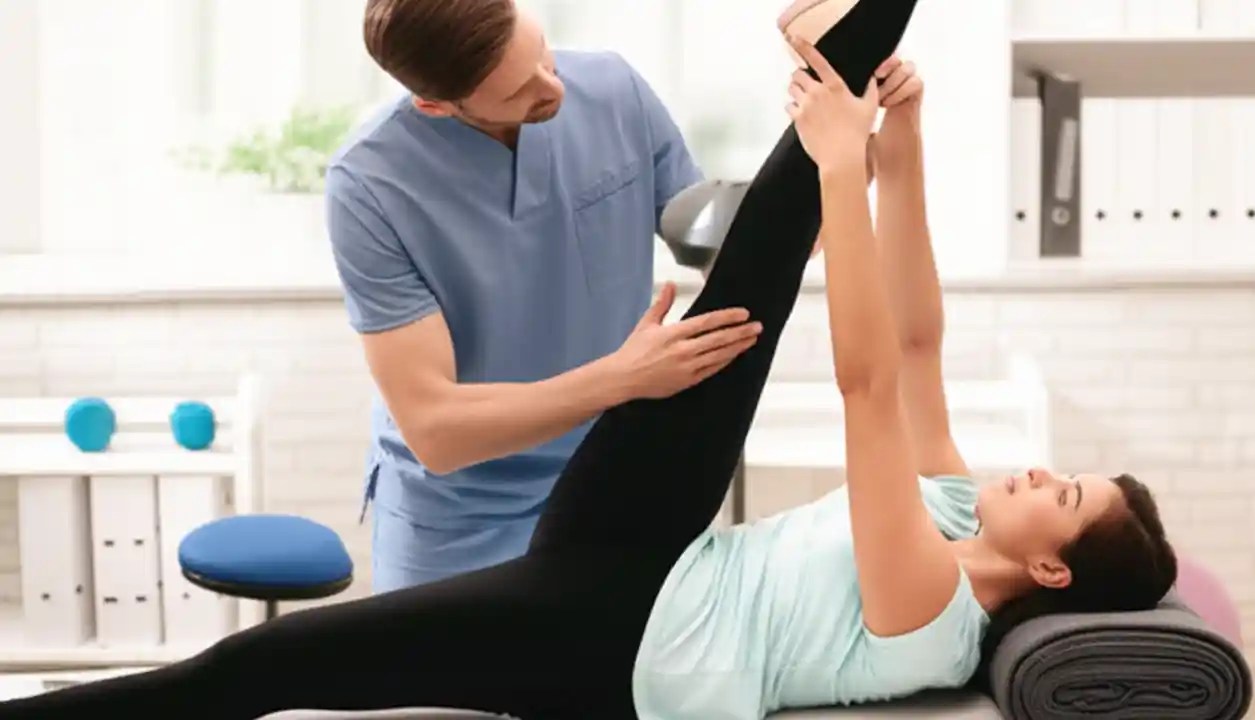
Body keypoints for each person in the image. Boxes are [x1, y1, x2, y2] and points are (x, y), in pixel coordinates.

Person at [2, 1, 1177, 718]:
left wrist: (840, 166)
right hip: (643, 536)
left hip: (623, 634)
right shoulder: (958, 505)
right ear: (436, 105)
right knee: (745, 292)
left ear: (1053, 574)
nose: (1035, 473)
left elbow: (868, 388)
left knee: (266, 669)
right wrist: (897, 143)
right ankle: (854, 44)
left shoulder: (928, 602)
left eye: (1061, 493)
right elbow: (915, 348)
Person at [332, 0, 761, 591]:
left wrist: (833, 166)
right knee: (447, 684)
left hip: (614, 482)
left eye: (539, 52)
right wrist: (623, 378)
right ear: (435, 106)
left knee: (615, 681)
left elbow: (723, 243)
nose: (551, 87)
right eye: (515, 93)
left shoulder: (614, 93)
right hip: (458, 521)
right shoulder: (369, 184)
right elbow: (435, 428)